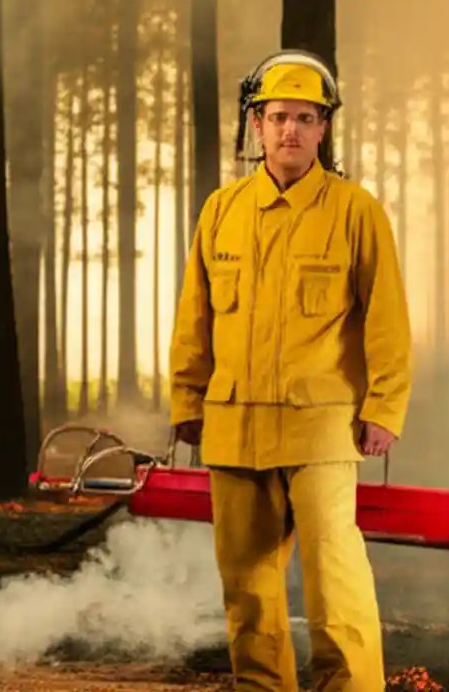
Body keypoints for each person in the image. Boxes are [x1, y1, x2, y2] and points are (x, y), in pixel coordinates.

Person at [167, 49, 413, 691]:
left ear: (324, 128)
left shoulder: (355, 211)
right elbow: (195, 318)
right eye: (278, 117)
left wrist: (384, 407)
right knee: (248, 591)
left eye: (305, 118)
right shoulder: (222, 211)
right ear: (256, 124)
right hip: (235, 428)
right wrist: (187, 401)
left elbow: (387, 318)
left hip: (321, 431)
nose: (290, 131)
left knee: (336, 585)